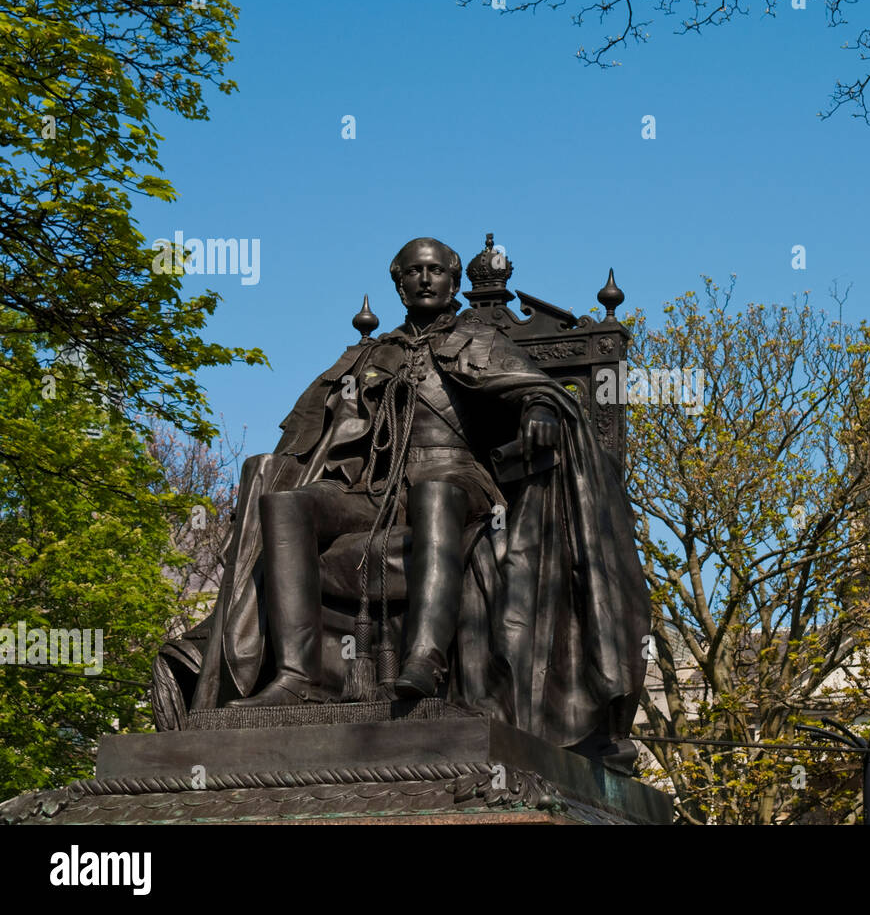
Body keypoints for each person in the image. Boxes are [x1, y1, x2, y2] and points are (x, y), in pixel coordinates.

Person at [162, 237, 648, 755]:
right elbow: (318, 430)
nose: (425, 278)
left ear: (453, 282)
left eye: (436, 270)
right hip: (380, 487)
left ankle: (424, 658)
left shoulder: (480, 340)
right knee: (286, 504)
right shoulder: (373, 354)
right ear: (399, 283)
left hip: (459, 478)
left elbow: (536, 389)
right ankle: (297, 676)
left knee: (434, 494)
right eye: (414, 271)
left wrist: (541, 410)